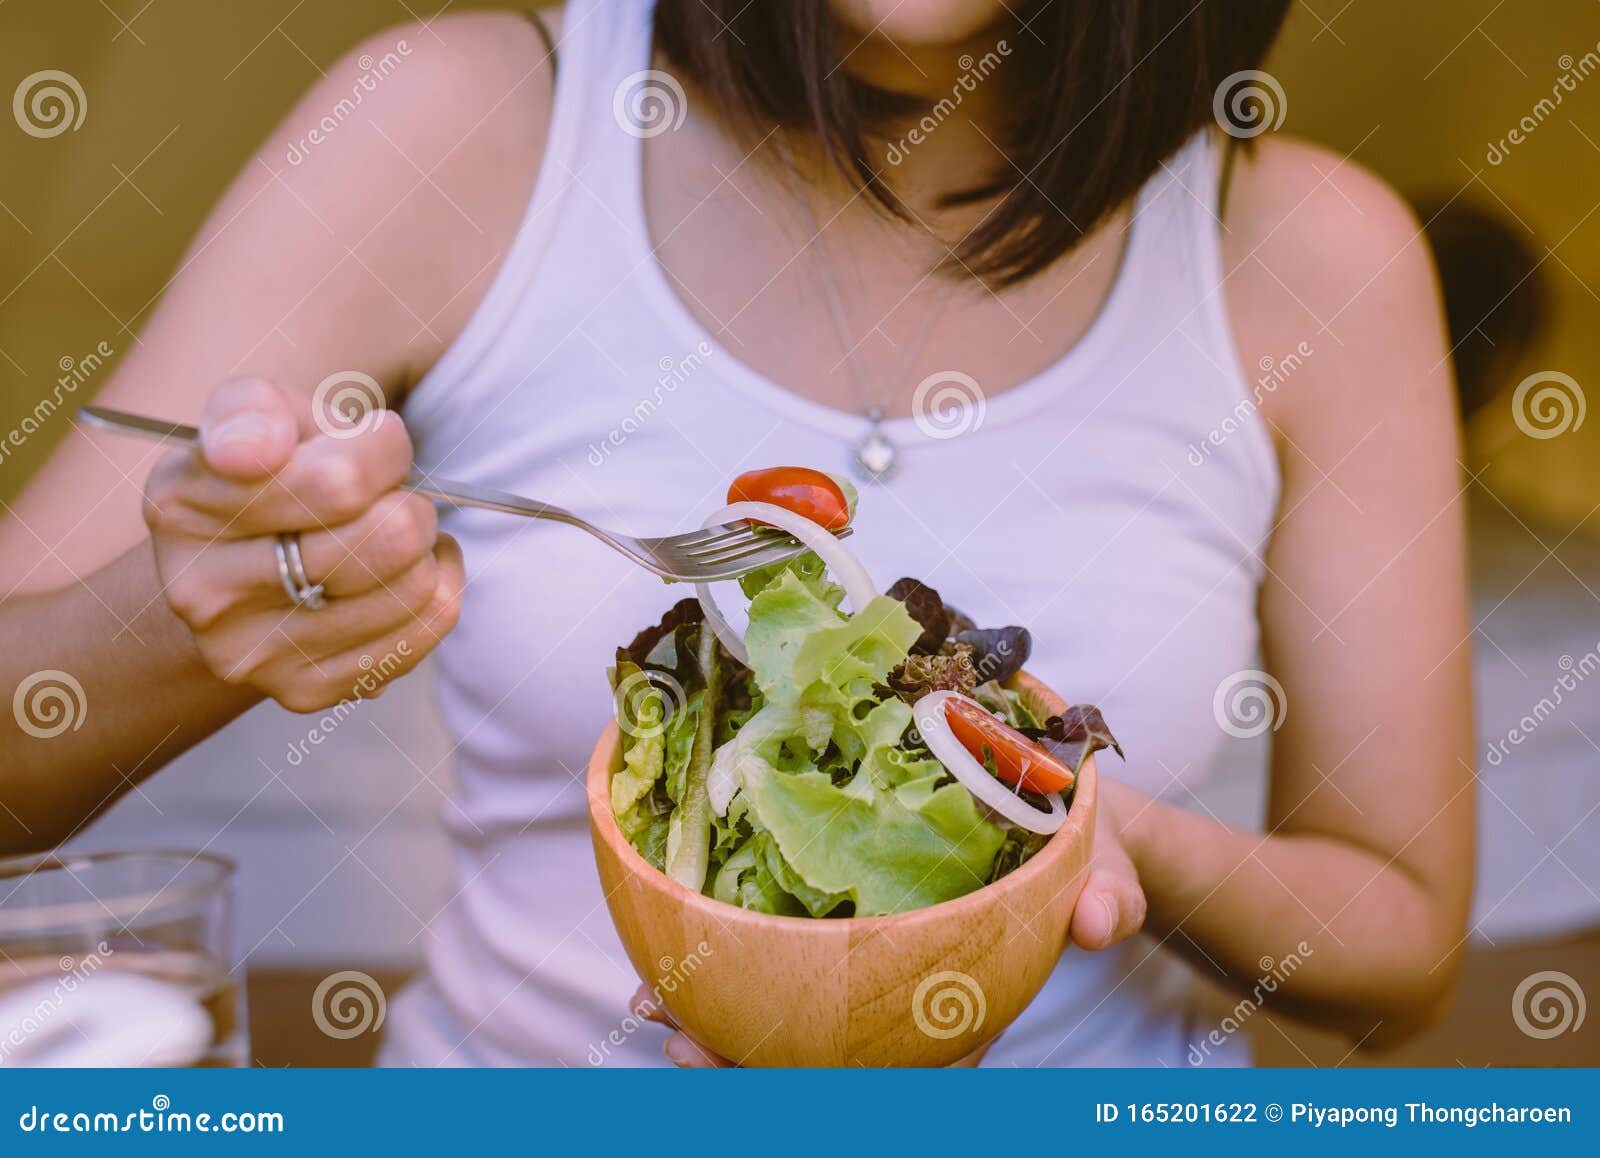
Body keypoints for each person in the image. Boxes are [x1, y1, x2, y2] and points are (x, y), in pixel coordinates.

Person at [0, 0, 1473, 1067]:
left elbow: (1400, 946)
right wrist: (198, 614)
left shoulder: (1312, 254)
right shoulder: (454, 121)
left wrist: (1068, 822)